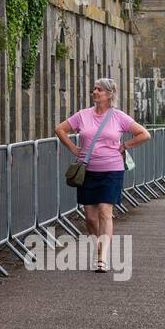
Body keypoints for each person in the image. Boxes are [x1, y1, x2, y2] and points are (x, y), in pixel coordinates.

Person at [55, 78, 152, 273]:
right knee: (90, 218)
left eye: (99, 90)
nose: (95, 92)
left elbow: (144, 134)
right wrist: (74, 148)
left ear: (109, 94)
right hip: (87, 170)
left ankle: (103, 257)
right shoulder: (83, 115)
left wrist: (125, 145)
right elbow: (60, 129)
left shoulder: (118, 117)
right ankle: (98, 248)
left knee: (105, 212)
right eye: (94, 89)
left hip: (112, 170)